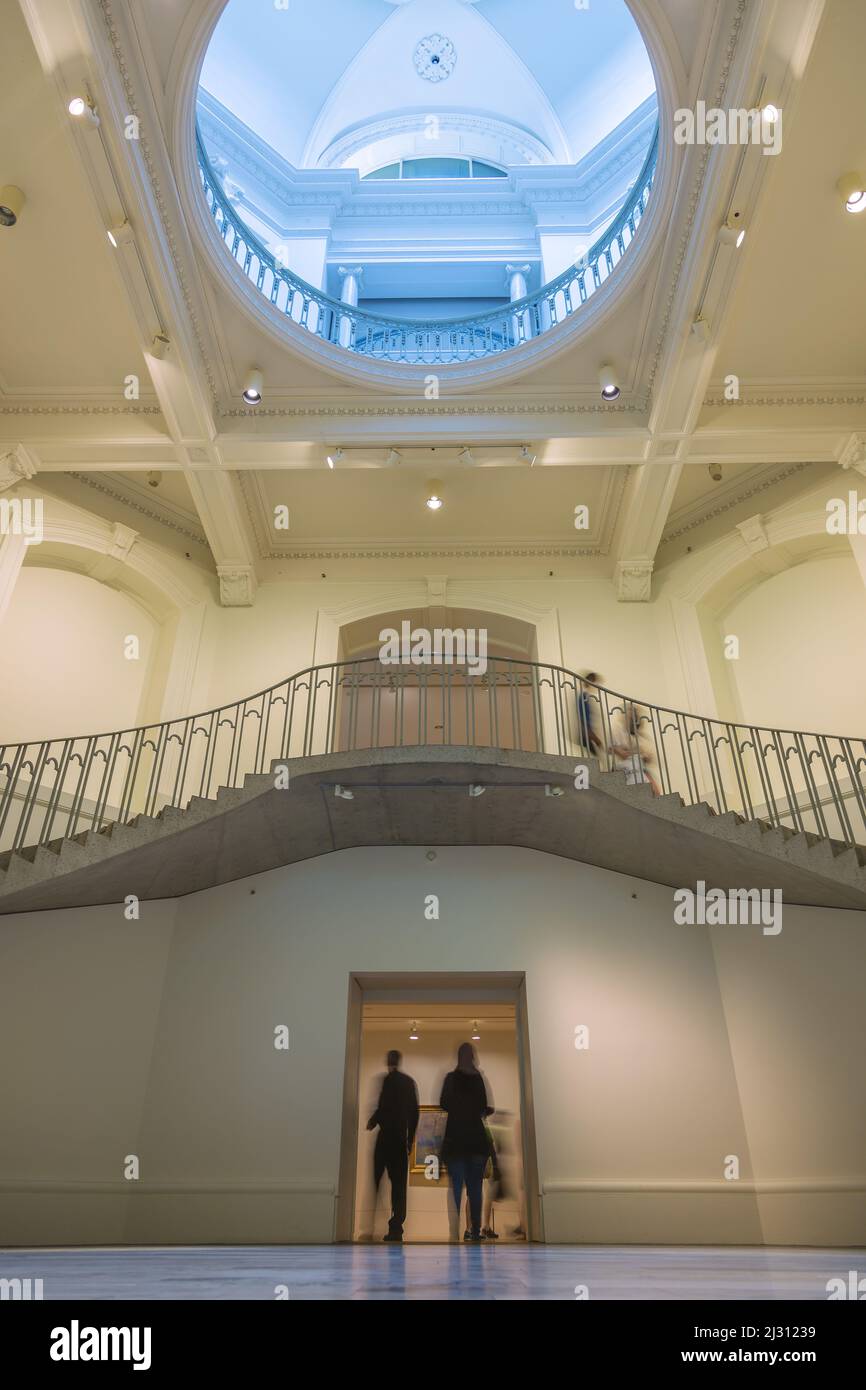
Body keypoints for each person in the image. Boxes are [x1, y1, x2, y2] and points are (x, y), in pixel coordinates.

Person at [440, 1042, 493, 1243]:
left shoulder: (451, 1079)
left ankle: (454, 1230)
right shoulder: (478, 1078)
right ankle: (476, 1228)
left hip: (455, 1141)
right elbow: (483, 1107)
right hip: (476, 1142)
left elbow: (443, 1102)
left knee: (455, 1188)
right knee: (475, 1189)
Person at [366, 1049, 419, 1243]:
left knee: (376, 1182)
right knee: (398, 1187)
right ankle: (396, 1227)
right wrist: (410, 1139)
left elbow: (383, 1107)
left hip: (385, 1139)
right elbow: (414, 1113)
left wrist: (372, 1122)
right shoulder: (408, 1082)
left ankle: (371, 1225)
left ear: (389, 1061)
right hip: (398, 1140)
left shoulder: (388, 1081)